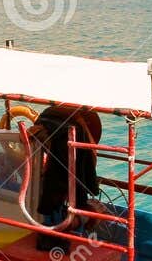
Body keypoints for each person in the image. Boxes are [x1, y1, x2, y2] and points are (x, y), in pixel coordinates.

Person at [29, 104, 103, 249]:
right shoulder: (74, 130)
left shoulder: (52, 121)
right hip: (60, 183)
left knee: (54, 201)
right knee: (57, 202)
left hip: (57, 184)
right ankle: (62, 229)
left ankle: (57, 228)